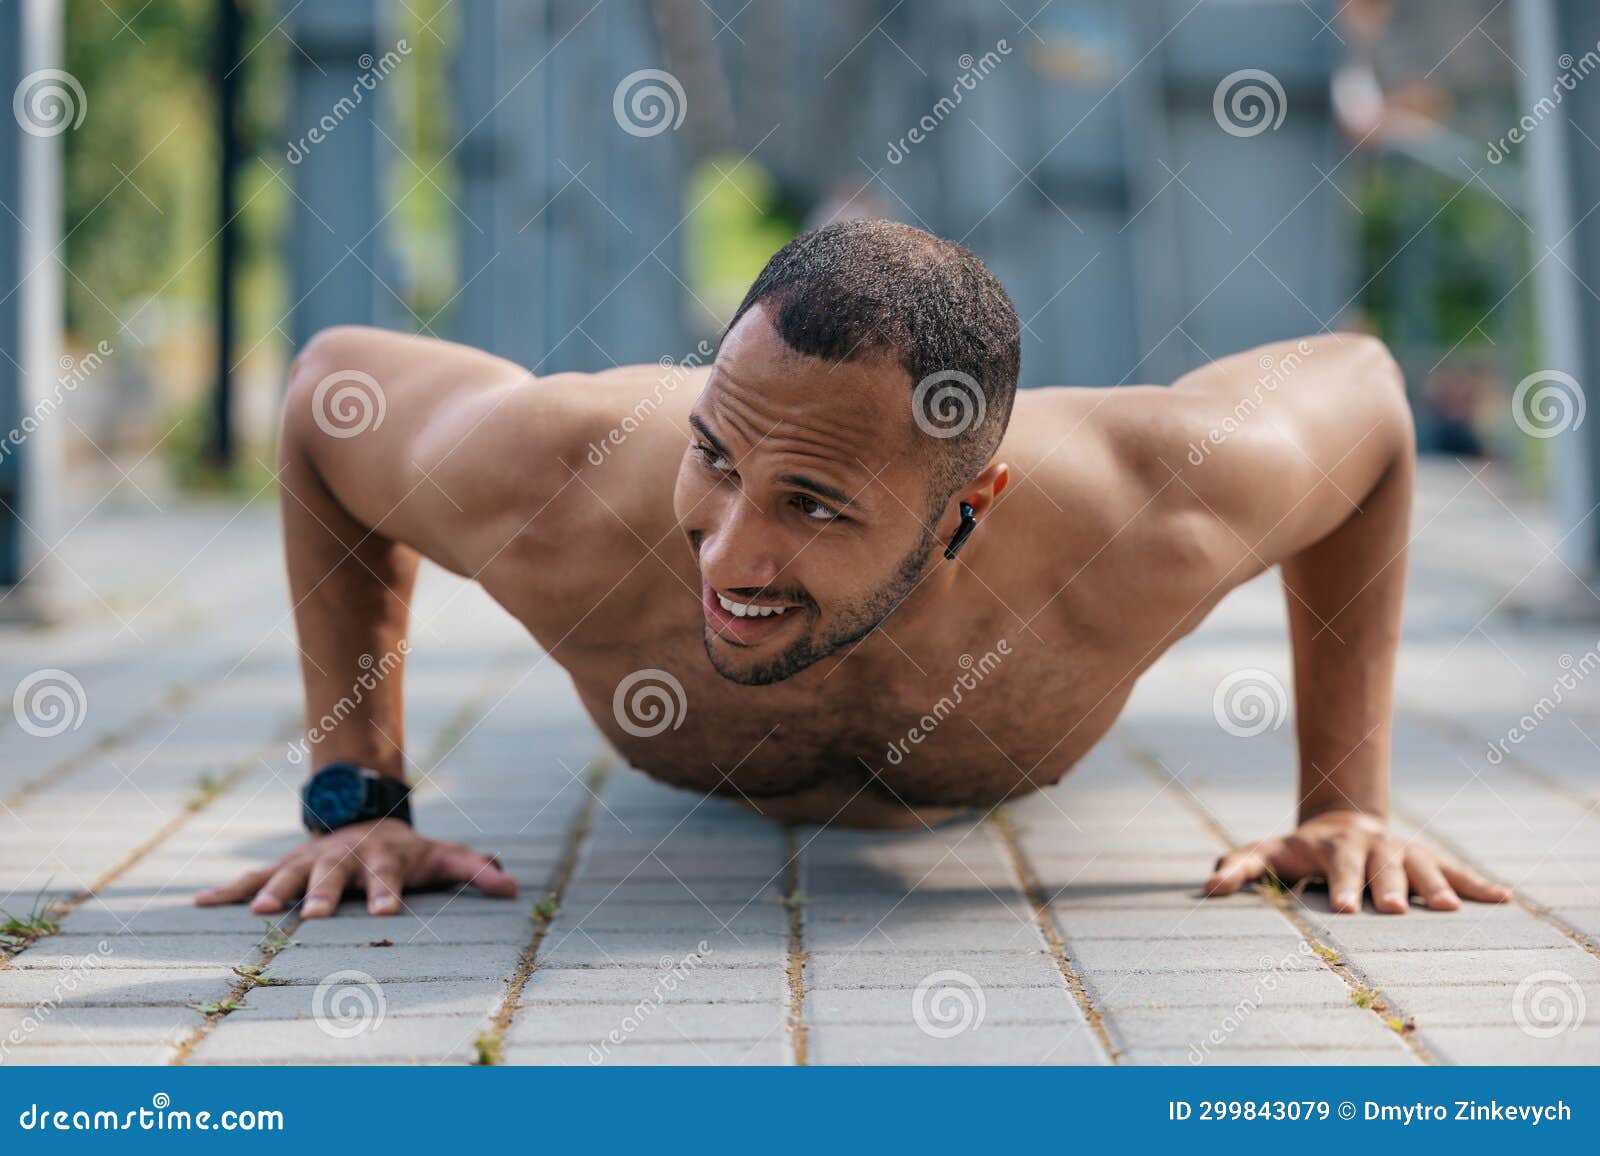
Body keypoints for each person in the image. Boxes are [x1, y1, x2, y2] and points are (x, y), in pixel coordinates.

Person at [195, 219, 1509, 920]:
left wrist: (1346, 802)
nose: (731, 551)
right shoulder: (560, 485)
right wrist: (356, 798)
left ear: (964, 512)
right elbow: (327, 392)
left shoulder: (1156, 510)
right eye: (715, 458)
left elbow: (1366, 395)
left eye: (815, 506)